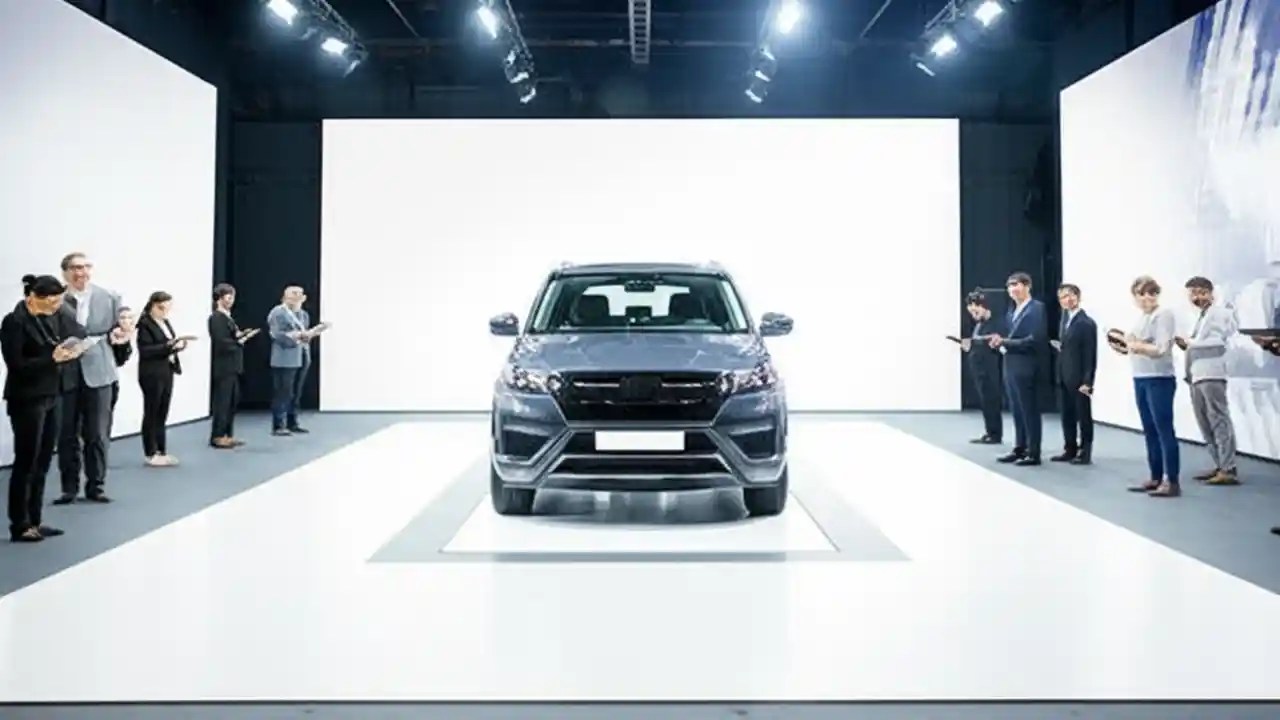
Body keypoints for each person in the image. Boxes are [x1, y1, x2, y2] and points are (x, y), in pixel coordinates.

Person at [2, 275, 84, 542]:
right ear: (37, 297)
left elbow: (76, 334)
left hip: (52, 394)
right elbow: (17, 364)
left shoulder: (52, 316)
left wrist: (72, 350)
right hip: (26, 398)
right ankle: (19, 523)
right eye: (54, 301)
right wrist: (52, 359)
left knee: (43, 459)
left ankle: (35, 519)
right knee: (26, 460)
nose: (58, 305)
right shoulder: (14, 321)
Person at [53, 252, 130, 504]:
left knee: (97, 433)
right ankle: (69, 488)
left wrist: (122, 339)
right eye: (75, 267)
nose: (81, 272)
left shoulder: (109, 298)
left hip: (100, 373)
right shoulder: (56, 300)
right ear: (65, 272)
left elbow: (120, 334)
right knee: (66, 435)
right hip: (65, 375)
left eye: (86, 267)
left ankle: (96, 485)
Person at [1120, 276, 1180, 497]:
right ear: (1134, 297)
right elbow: (1135, 344)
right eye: (1142, 293)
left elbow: (1162, 348)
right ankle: (1156, 476)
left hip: (1159, 378)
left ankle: (1171, 480)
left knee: (1164, 430)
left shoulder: (1164, 315)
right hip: (1141, 376)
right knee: (1150, 430)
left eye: (1152, 293)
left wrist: (1135, 345)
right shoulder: (1141, 318)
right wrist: (1129, 343)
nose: (1147, 297)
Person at [1177, 276, 1239, 485]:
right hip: (1197, 374)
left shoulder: (1218, 313)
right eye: (1193, 293)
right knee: (1204, 422)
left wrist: (1191, 343)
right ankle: (1220, 464)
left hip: (1212, 374)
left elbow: (1219, 340)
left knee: (1218, 420)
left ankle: (1228, 468)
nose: (1196, 297)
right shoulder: (1201, 317)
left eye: (1200, 292)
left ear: (1210, 293)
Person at [989, 272, 1047, 466]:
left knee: (1029, 409)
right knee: (1016, 409)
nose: (1013, 289)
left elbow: (1034, 339)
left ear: (1027, 286)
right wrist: (1000, 342)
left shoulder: (1036, 308)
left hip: (1027, 365)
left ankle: (1034, 451)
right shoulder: (1011, 310)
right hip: (1011, 364)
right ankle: (1020, 446)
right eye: (1010, 285)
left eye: (1017, 284)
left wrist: (1005, 342)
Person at [135, 291, 191, 466]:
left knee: (162, 411)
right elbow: (146, 350)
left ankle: (161, 450)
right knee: (152, 411)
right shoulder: (145, 324)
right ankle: (150, 452)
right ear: (152, 305)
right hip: (151, 372)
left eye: (168, 307)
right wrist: (168, 346)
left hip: (167, 369)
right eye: (161, 307)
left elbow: (167, 345)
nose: (165, 311)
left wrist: (177, 346)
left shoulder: (165, 322)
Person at [1051, 283, 1097, 464]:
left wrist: (1088, 380)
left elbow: (1090, 354)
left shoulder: (1086, 323)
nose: (1067, 300)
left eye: (1070, 295)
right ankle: (1069, 448)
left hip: (1079, 378)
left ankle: (1085, 452)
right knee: (1067, 415)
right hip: (1064, 375)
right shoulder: (1064, 320)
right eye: (1062, 297)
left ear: (1078, 297)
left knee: (1083, 416)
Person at [208, 283, 253, 448]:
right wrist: (239, 341)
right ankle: (218, 435)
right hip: (224, 366)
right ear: (219, 298)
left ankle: (227, 434)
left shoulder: (227, 317)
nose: (231, 300)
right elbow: (221, 342)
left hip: (233, 365)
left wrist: (241, 335)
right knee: (223, 401)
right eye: (228, 297)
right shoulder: (216, 318)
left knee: (232, 401)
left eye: (232, 297)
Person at [267, 286, 315, 436]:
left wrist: (308, 335)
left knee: (296, 392)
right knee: (283, 391)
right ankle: (278, 424)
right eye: (292, 295)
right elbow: (276, 334)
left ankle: (292, 421)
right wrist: (294, 338)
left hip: (302, 355)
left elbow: (304, 332)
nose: (295, 298)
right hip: (284, 358)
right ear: (285, 297)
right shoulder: (278, 313)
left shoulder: (303, 315)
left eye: (298, 295)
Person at [961, 290, 1005, 444]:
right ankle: (990, 431)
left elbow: (994, 340)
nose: (974, 314)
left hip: (990, 369)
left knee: (991, 400)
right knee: (985, 401)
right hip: (979, 369)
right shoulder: (980, 324)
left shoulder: (996, 323)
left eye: (976, 310)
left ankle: (995, 433)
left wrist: (974, 342)